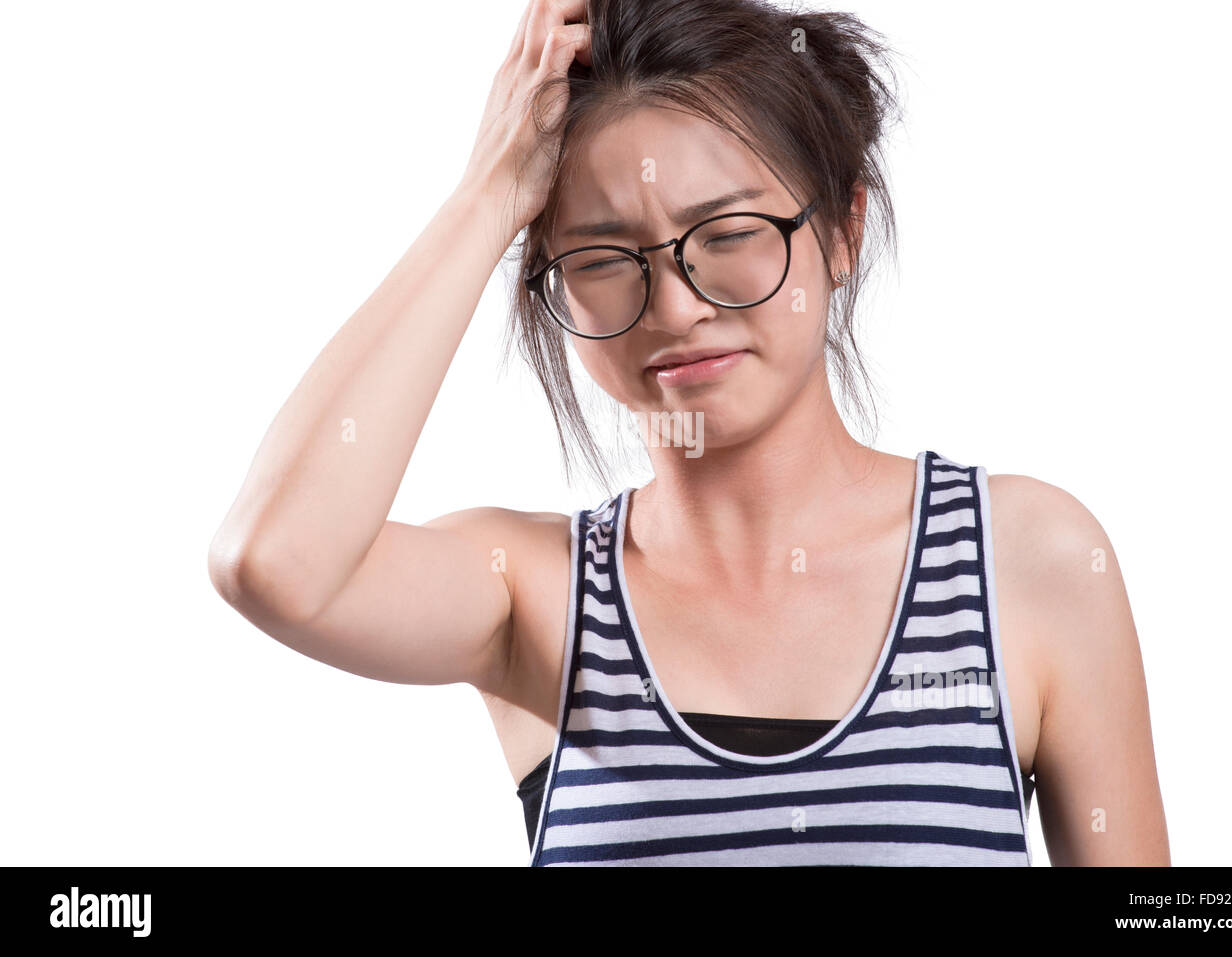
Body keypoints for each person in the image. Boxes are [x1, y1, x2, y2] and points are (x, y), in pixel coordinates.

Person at [208, 0, 1170, 866]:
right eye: (603, 254)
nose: (674, 303)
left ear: (842, 232)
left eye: (730, 233)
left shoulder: (1022, 560)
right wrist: (489, 192)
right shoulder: (532, 596)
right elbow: (273, 559)